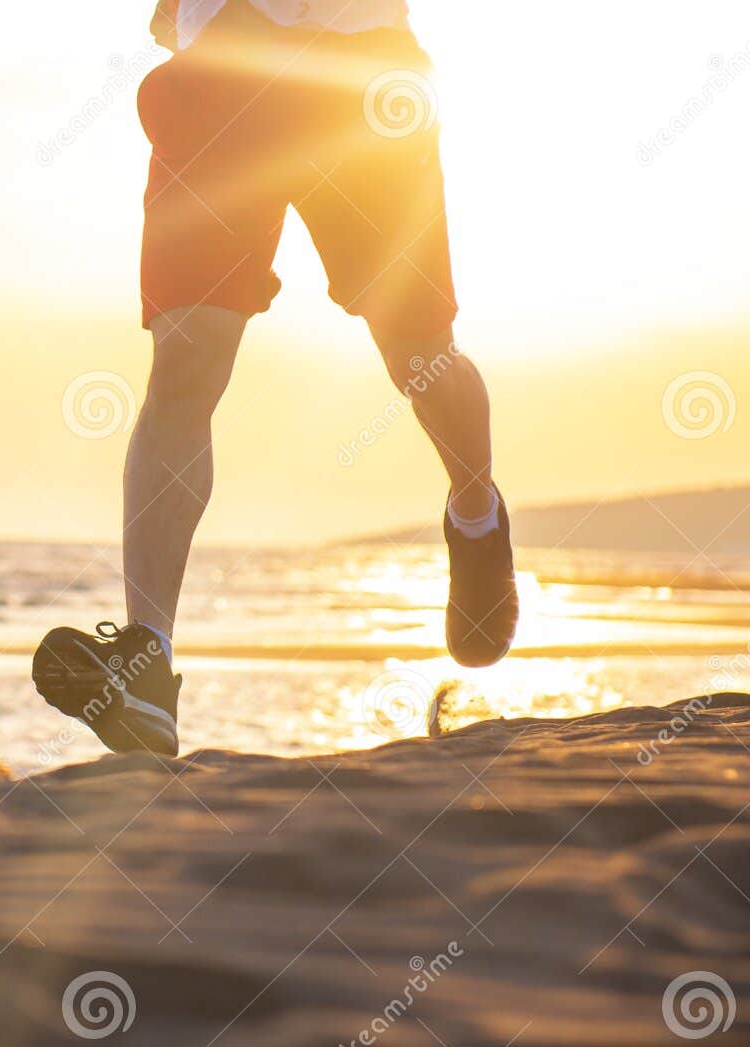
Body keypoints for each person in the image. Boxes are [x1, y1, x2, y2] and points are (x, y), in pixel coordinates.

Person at [32, 0, 517, 757]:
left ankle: (476, 511)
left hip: (362, 81)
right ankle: (147, 660)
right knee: (186, 359)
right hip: (220, 68)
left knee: (419, 355)